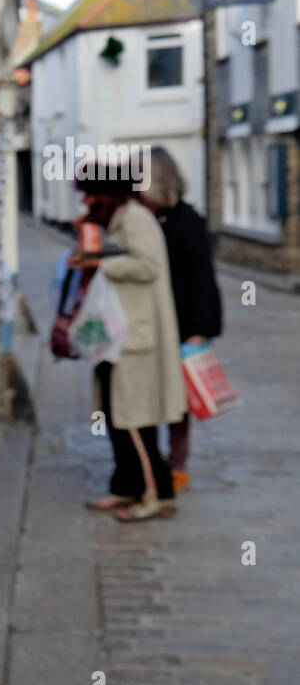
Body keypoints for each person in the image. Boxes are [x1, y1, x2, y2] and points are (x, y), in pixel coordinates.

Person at [71, 162, 186, 522]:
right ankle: (125, 486)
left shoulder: (136, 218)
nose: (87, 199)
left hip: (136, 336)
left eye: (91, 192)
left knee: (134, 418)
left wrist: (100, 264)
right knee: (113, 413)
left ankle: (157, 493)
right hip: (117, 332)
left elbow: (148, 265)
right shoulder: (119, 217)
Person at [138, 147, 222, 492]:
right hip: (149, 323)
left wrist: (201, 330)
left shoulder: (188, 221)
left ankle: (176, 466)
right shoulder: (143, 220)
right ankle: (151, 463)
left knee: (179, 401)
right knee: (148, 395)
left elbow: (203, 278)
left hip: (183, 324)